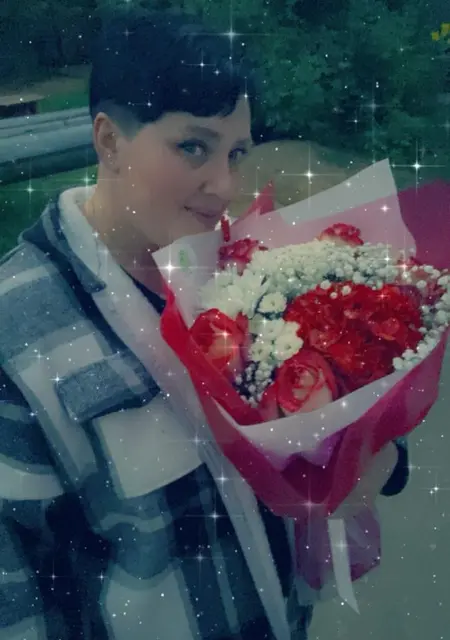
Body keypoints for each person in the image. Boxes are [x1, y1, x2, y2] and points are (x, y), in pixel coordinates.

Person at [0, 9, 409, 640]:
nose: (224, 185)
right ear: (109, 140)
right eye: (193, 146)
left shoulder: (251, 268)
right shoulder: (18, 334)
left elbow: (337, 410)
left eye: (236, 152)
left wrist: (374, 452)